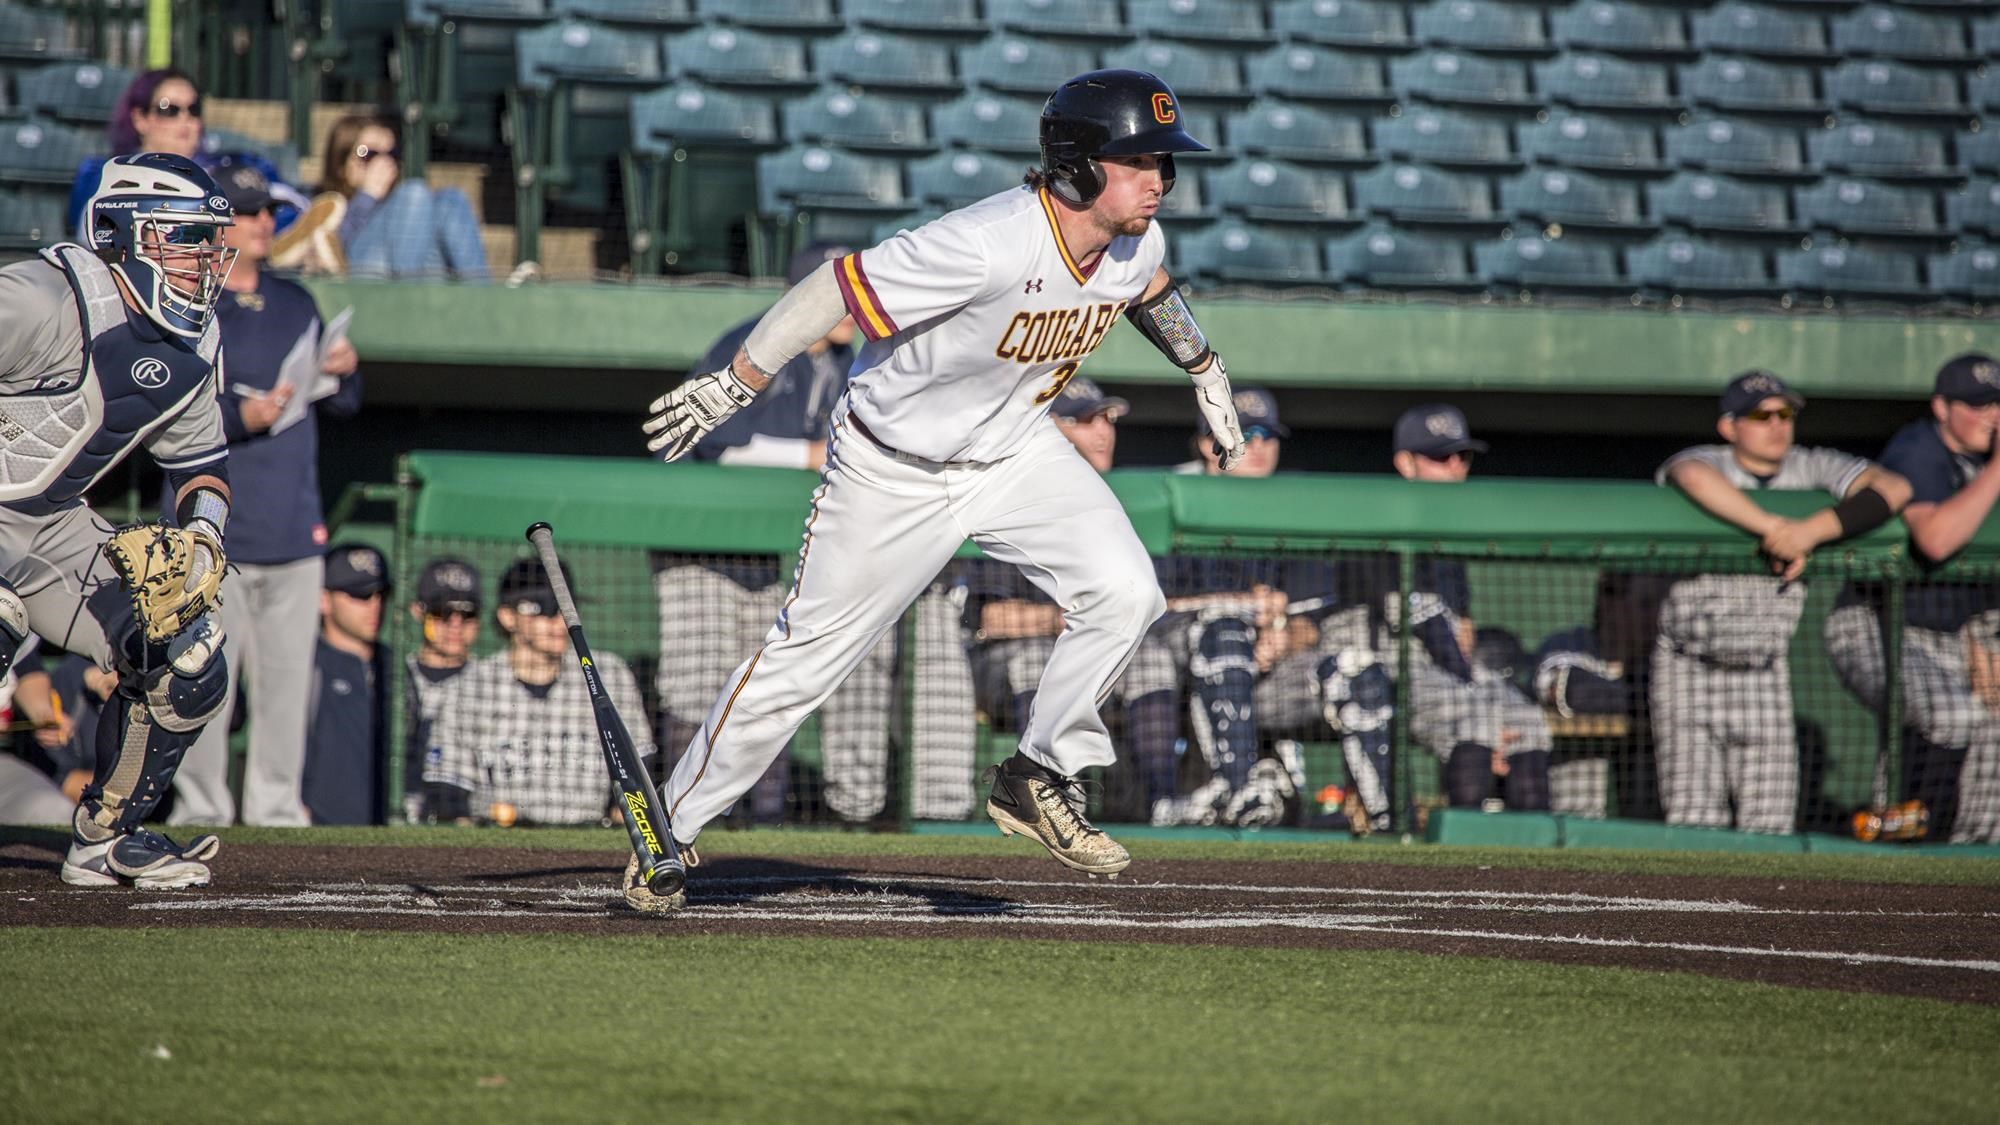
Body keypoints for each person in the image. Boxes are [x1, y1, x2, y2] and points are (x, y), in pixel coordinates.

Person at [636, 69, 1246, 910]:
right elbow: (832, 289)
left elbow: (1146, 290)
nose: (1161, 180)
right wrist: (739, 380)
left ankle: (1037, 772)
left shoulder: (1138, 240)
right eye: (1139, 159)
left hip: (1014, 450)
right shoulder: (987, 240)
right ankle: (666, 827)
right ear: (1076, 163)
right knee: (803, 663)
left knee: (1127, 591)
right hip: (891, 470)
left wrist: (1203, 367)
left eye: (1166, 163)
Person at [2, 152, 238, 888]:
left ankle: (105, 837)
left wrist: (203, 537)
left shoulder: (193, 343)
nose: (204, 258)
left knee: (189, 654)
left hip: (48, 527)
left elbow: (202, 462)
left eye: (208, 240)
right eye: (184, 237)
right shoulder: (43, 299)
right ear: (120, 232)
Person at [167, 157, 363, 828]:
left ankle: (277, 814)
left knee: (285, 692)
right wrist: (235, 417)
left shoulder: (296, 301)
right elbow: (160, 406)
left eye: (265, 213)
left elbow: (344, 403)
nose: (258, 223)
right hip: (213, 533)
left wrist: (344, 366)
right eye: (243, 212)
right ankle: (202, 811)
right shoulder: (188, 303)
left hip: (292, 530)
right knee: (203, 681)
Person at [1652, 371, 1910, 833]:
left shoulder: (1811, 467)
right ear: (1729, 426)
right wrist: (1774, 529)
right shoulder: (1709, 461)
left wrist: (1809, 532)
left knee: (1769, 823)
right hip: (1688, 665)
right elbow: (1688, 474)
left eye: (1785, 413)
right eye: (1760, 415)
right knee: (1692, 820)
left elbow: (1895, 488)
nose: (1776, 424)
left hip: (1763, 669)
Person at [1319, 405, 1554, 832]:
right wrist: (1478, 697)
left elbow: (1459, 634)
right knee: (1478, 718)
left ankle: (1532, 860)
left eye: (1461, 456)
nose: (1454, 468)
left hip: (1445, 672)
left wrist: (1482, 692)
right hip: (1381, 666)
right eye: (1440, 457)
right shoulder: (1378, 523)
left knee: (1529, 721)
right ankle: (1458, 859)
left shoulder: (1449, 536)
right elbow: (1421, 626)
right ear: (1405, 463)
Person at [963, 378, 1184, 822]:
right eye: (1086, 420)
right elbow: (990, 617)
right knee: (1036, 662)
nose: (1103, 431)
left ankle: (1164, 803)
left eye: (1107, 419)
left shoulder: (1119, 506)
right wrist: (1059, 618)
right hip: (1002, 665)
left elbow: (1153, 604)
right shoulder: (1012, 497)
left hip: (1100, 653)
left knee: (1155, 660)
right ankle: (1055, 802)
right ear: (1049, 427)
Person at [1824, 354, 2000, 842]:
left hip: (1958, 633)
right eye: (1979, 404)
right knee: (1948, 715)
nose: (1993, 415)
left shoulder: (1982, 459)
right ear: (1942, 407)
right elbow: (1936, 540)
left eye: (1999, 404)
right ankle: (1898, 838)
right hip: (1876, 624)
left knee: (1988, 727)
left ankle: (1959, 854)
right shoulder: (1919, 447)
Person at [1149, 389, 1332, 828]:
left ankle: (1386, 830)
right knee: (1224, 630)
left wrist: (1285, 636)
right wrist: (1244, 608)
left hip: (1266, 674)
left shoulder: (1291, 509)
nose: (1259, 446)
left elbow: (1312, 622)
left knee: (1360, 671)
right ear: (1206, 444)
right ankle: (1238, 788)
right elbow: (1151, 604)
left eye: (1268, 435)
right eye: (1244, 433)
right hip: (1171, 660)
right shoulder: (1170, 498)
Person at [423, 558, 653, 825]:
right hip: (499, 842)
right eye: (543, 609)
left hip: (593, 837)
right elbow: (448, 791)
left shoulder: (607, 675)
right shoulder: (469, 688)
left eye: (565, 610)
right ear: (508, 617)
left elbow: (640, 765)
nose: (558, 621)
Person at [66, 69, 312, 251]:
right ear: (140, 118)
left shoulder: (226, 167)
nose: (185, 120)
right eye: (169, 110)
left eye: (193, 109)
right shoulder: (109, 172)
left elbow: (298, 209)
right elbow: (90, 229)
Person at [313, 113, 488, 280]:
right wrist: (367, 197)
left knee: (450, 200)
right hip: (360, 280)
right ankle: (405, 304)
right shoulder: (320, 203)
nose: (384, 162)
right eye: (368, 154)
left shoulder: (401, 203)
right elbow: (334, 250)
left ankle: (485, 303)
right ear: (341, 162)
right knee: (414, 192)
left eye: (392, 154)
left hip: (419, 280)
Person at [302, 545, 391, 825]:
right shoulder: (305, 666)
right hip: (318, 829)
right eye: (359, 595)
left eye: (381, 594)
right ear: (324, 600)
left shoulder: (395, 666)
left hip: (387, 835)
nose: (375, 605)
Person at [403, 557, 482, 823]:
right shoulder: (397, 676)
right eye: (442, 613)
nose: (455, 625)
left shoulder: (488, 682)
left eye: (467, 614)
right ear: (418, 611)